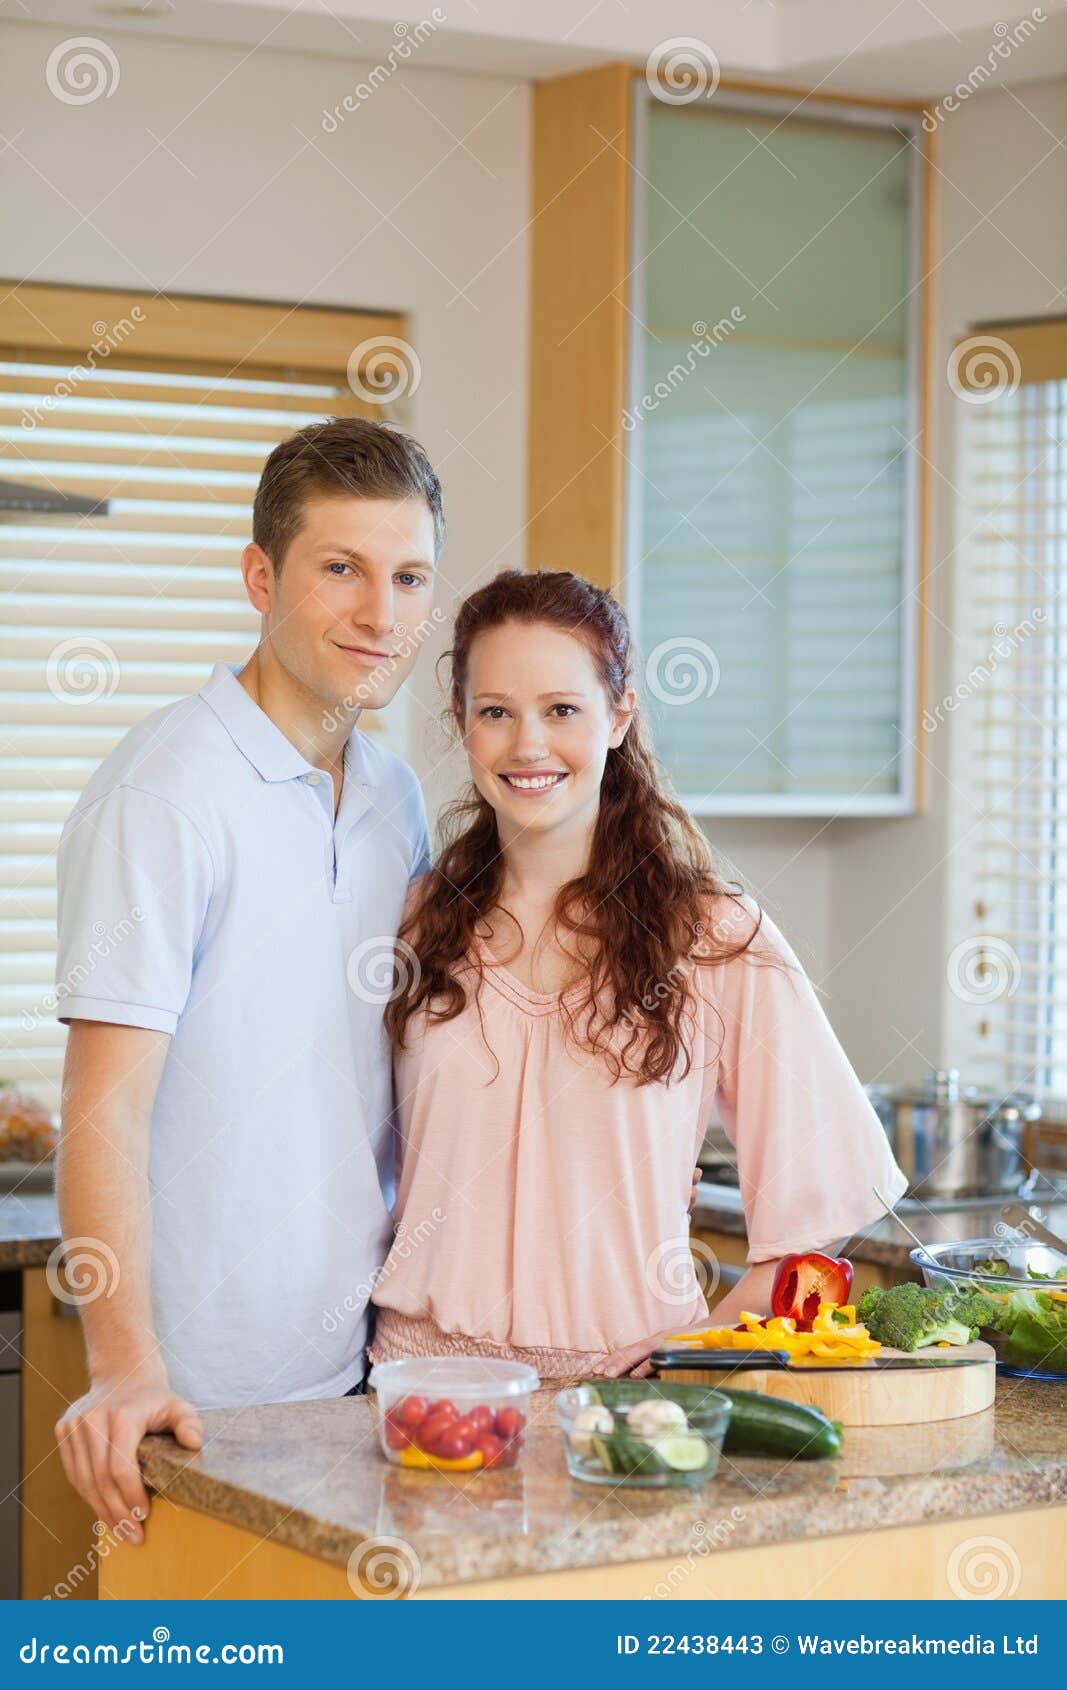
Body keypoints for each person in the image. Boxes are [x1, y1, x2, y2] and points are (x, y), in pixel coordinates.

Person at [52, 418, 442, 1540]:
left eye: (407, 576)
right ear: (259, 576)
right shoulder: (164, 795)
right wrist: (127, 1370)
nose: (380, 614)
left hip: (359, 1372)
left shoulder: (394, 796)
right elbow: (101, 1105)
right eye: (341, 569)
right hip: (194, 1401)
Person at [369, 569, 907, 1378]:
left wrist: (679, 1359)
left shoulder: (714, 936)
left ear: (619, 715)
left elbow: (810, 1225)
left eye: (561, 710)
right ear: (462, 724)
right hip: (419, 1391)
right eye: (495, 713)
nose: (527, 746)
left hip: (622, 1407)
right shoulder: (412, 924)